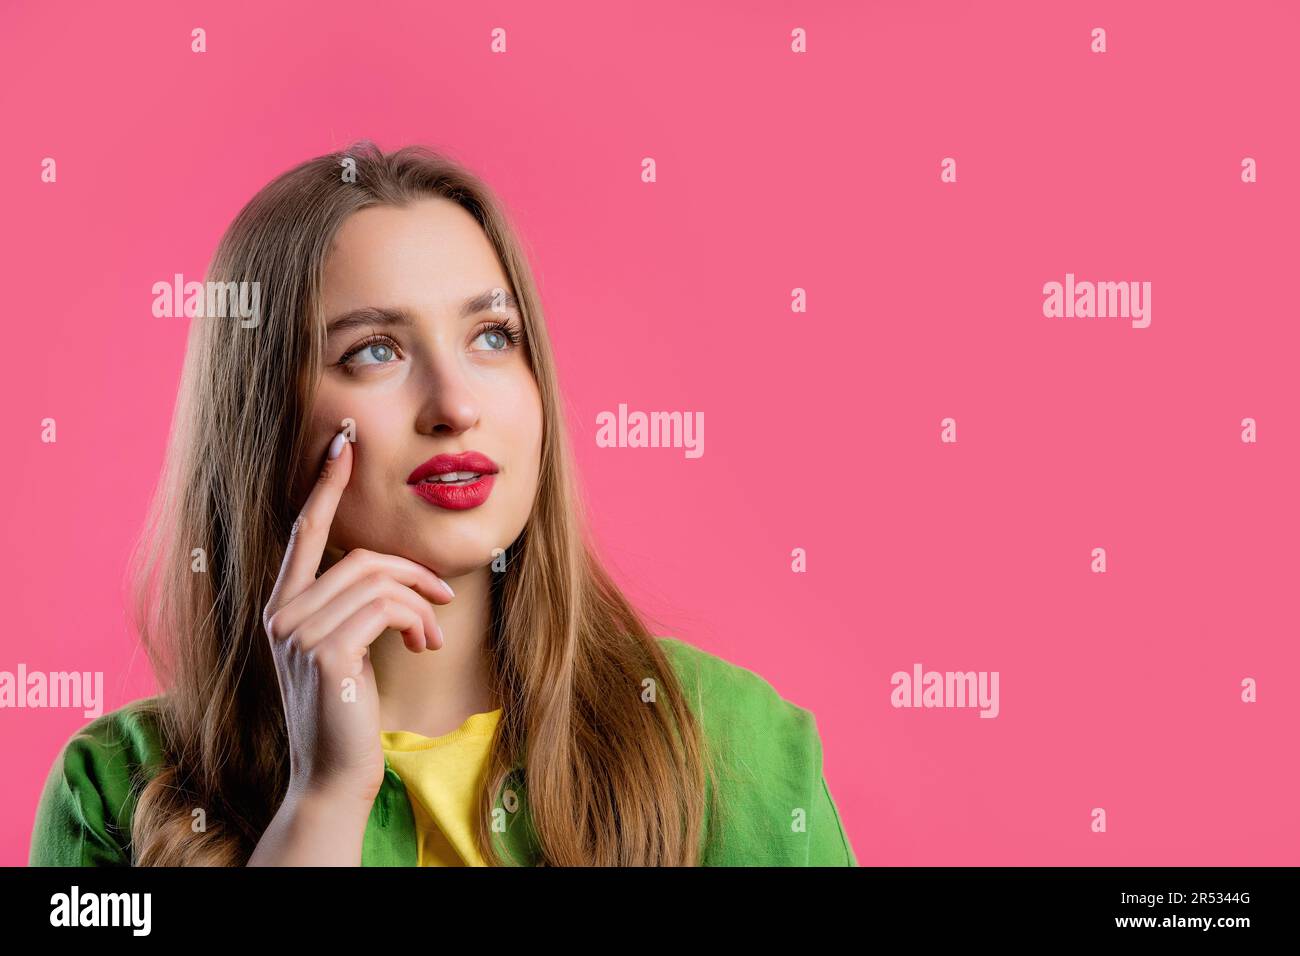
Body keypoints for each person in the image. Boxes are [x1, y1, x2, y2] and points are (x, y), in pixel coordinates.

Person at [27, 143, 856, 867]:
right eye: (375, 351)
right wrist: (321, 803)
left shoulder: (739, 751)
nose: (454, 404)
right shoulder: (111, 799)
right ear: (262, 422)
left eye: (493, 337)